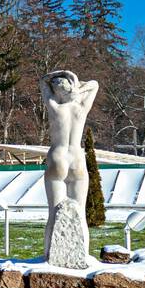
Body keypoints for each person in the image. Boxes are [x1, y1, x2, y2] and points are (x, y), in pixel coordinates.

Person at [41, 70, 99, 261]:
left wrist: (60, 74)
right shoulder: (81, 107)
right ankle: (81, 256)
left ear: (56, 91)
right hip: (77, 158)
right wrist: (77, 84)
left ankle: (49, 256)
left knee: (54, 213)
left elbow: (43, 80)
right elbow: (95, 84)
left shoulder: (53, 106)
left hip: (58, 156)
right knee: (80, 214)